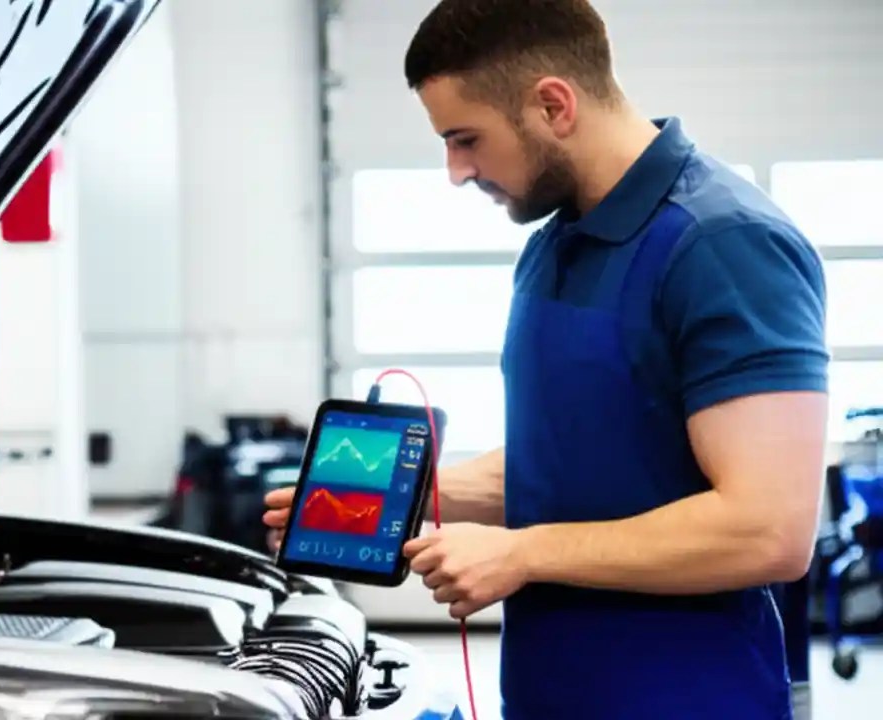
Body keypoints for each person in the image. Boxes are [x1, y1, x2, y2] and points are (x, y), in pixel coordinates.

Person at [262, 0, 829, 717]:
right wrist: (393, 495)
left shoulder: (723, 243)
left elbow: (768, 529)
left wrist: (520, 553)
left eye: (466, 139)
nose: (456, 172)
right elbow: (577, 458)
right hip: (549, 692)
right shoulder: (554, 245)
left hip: (685, 698)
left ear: (553, 104)